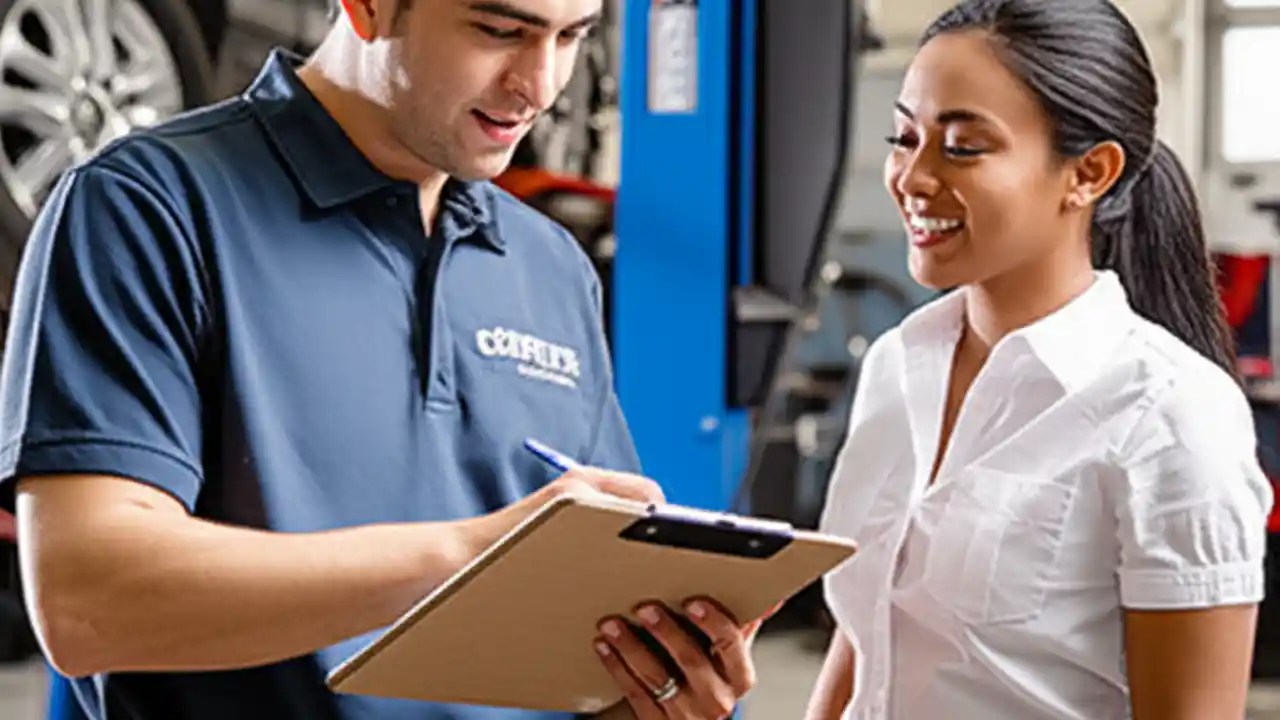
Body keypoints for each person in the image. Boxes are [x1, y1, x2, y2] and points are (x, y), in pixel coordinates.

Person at [0, 1, 761, 719]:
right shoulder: (149, 209)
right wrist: (472, 555)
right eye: (499, 31)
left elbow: (574, 636)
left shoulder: (550, 266)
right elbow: (88, 603)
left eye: (571, 36)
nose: (539, 86)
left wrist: (650, 684)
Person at [803, 1, 1274, 718]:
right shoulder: (898, 365)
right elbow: (870, 633)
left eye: (963, 147)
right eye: (905, 137)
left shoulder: (1171, 417)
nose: (913, 177)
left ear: (1089, 172)